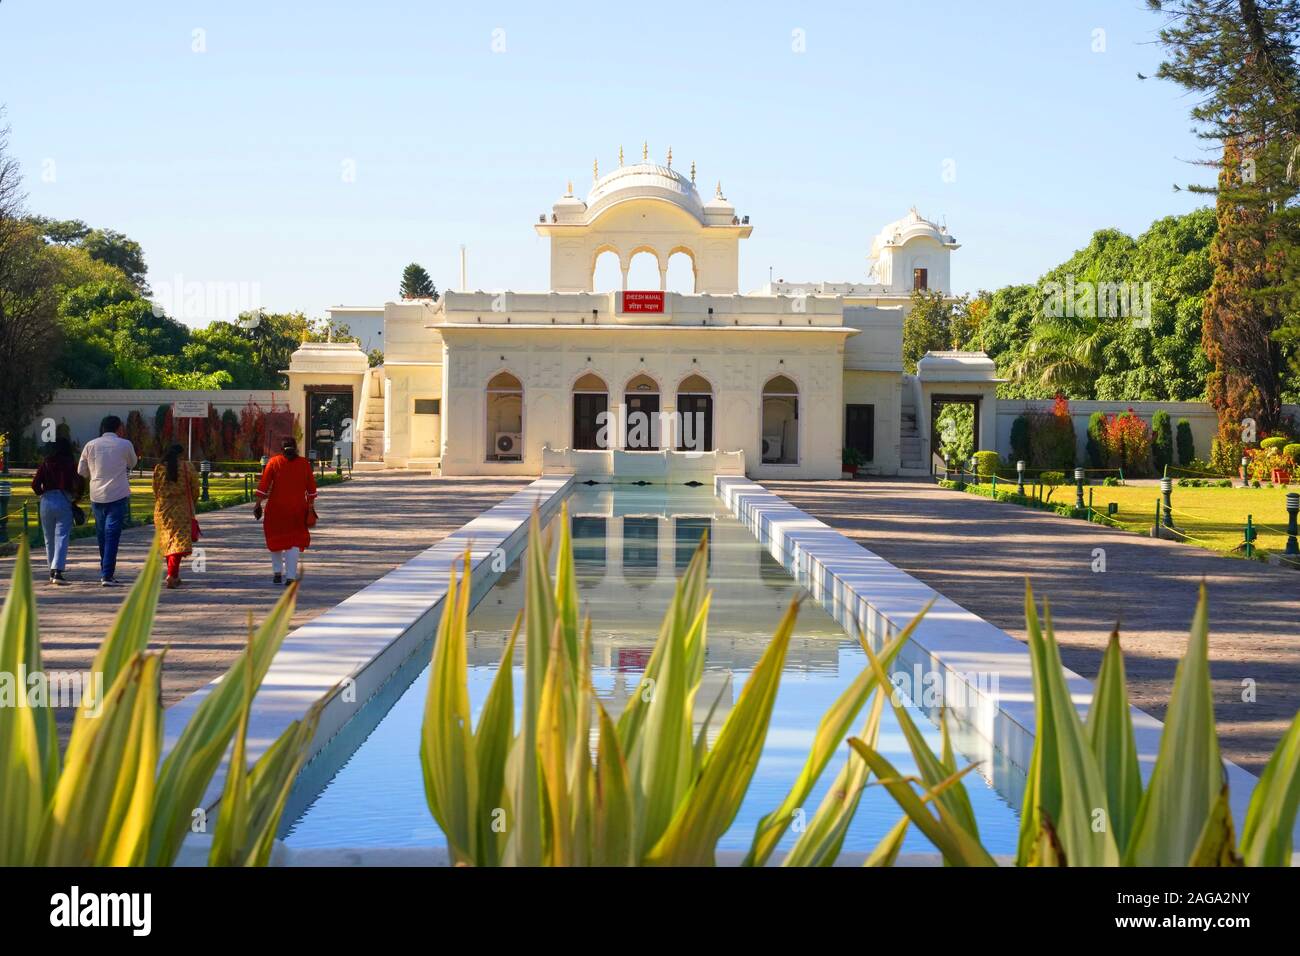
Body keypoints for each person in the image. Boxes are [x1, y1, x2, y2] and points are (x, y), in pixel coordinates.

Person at [77, 415, 138, 586]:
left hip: (96, 494)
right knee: (112, 534)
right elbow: (132, 463)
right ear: (119, 428)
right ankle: (107, 574)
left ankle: (105, 570)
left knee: (102, 534)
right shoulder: (124, 444)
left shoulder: (91, 445)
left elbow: (81, 471)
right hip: (118, 493)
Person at [254, 437, 317, 584]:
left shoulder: (274, 462)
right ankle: (290, 576)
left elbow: (263, 486)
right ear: (295, 448)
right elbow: (312, 491)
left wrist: (257, 504)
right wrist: (310, 507)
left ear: (281, 449)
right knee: (293, 542)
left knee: (276, 538)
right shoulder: (304, 464)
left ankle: (277, 572)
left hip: (276, 509)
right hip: (297, 509)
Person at [30, 437, 84, 585]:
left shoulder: (46, 463)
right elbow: (79, 481)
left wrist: (42, 493)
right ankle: (57, 571)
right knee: (62, 536)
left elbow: (35, 484)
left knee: (48, 538)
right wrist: (76, 497)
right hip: (64, 499)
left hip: (46, 500)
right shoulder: (70, 463)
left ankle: (51, 571)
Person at [152, 443, 199, 589]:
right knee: (177, 542)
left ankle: (173, 574)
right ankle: (172, 575)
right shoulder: (187, 467)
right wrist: (193, 501)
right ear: (181, 455)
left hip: (162, 509)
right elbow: (195, 488)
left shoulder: (159, 468)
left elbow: (155, 488)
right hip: (181, 508)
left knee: (167, 541)